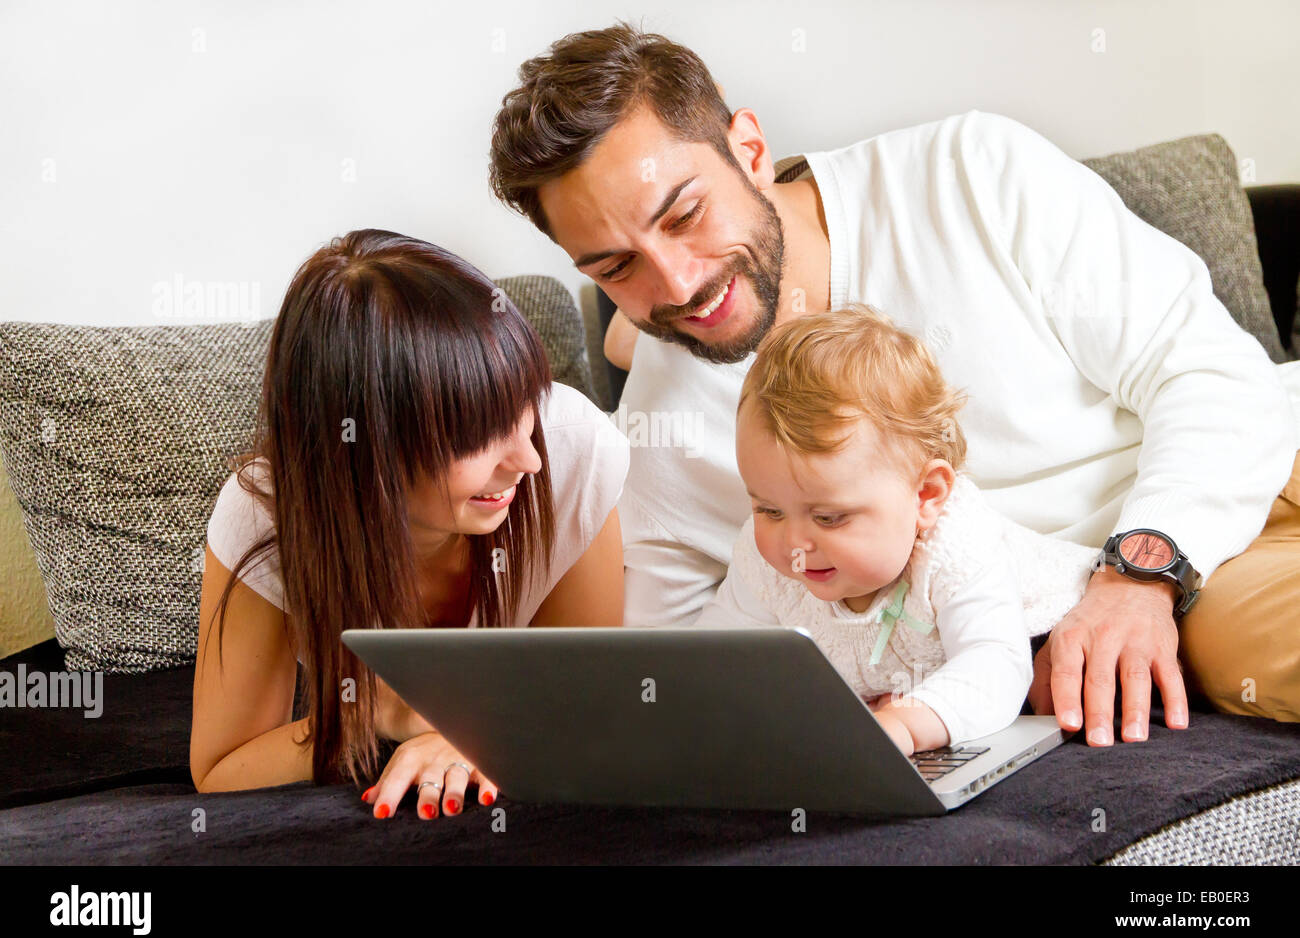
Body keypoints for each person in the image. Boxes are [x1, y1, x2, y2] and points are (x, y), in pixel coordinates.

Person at [487, 21, 1300, 744]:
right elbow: (665, 680)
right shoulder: (663, 424)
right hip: (1165, 601)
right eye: (617, 266)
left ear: (749, 148)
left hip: (1244, 477)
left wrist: (1136, 578)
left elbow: (1212, 370)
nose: (677, 284)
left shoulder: (971, 174)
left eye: (684, 214)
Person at [191, 229, 629, 821]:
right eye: (477, 437)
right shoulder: (267, 511)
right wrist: (379, 714)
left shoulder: (573, 454)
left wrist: (473, 735)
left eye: (525, 410)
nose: (527, 459)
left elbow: (586, 698)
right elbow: (222, 768)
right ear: (363, 451)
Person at [695, 304, 1098, 753]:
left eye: (829, 517)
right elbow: (718, 658)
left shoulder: (955, 544)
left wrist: (903, 724)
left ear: (925, 496)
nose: (794, 543)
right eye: (768, 510)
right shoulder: (766, 560)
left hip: (1055, 645)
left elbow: (997, 664)